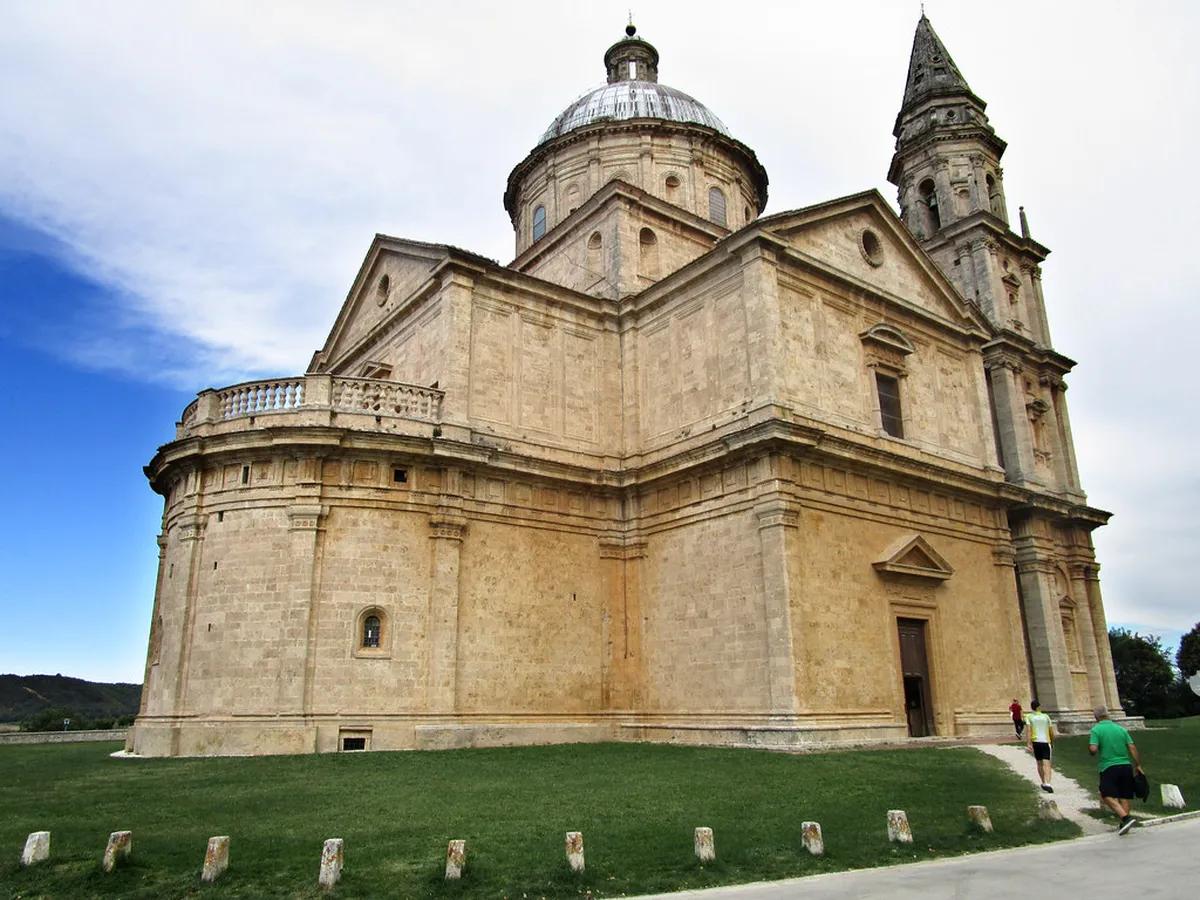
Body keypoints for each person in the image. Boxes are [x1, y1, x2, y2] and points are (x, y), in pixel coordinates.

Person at [1089, 705, 1143, 835]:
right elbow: (1132, 747)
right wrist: (1138, 765)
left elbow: (1093, 749)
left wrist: (1092, 750)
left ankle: (1126, 818)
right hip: (1125, 765)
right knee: (1124, 796)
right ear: (1107, 714)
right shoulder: (1120, 729)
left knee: (1105, 794)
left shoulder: (1096, 730)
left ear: (1096, 717)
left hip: (1109, 766)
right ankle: (1124, 824)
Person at [1024, 700, 1055, 792]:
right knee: (1047, 763)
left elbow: (1029, 730)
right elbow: (1051, 731)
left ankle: (1043, 781)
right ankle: (1048, 783)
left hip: (1036, 741)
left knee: (1039, 763)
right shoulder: (1046, 717)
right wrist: (1052, 741)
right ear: (1039, 707)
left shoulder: (1029, 716)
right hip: (1045, 741)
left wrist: (1028, 743)